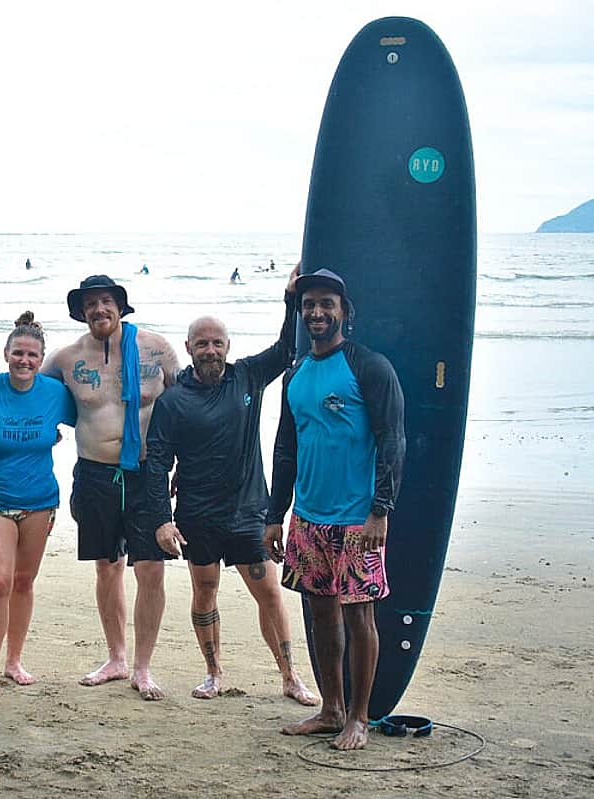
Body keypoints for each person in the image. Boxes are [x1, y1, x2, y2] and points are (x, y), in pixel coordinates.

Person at [146, 265, 319, 706]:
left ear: (227, 347)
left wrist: (291, 299)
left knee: (268, 591)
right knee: (204, 591)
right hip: (197, 516)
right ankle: (213, 672)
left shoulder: (247, 377)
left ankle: (290, 675)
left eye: (216, 342)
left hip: (247, 513)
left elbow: (285, 350)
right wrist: (163, 522)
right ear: (188, 348)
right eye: (201, 343)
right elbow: (157, 465)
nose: (209, 349)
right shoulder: (173, 401)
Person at [264, 268, 405, 751]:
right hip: (308, 519)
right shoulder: (296, 374)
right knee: (321, 616)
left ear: (344, 311)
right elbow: (286, 448)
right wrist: (273, 514)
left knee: (359, 618)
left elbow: (393, 441)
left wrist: (380, 510)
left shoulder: (369, 367)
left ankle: (359, 718)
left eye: (327, 303)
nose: (317, 312)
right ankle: (330, 709)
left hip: (356, 521)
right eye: (309, 306)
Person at [42, 275, 179, 700]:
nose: (98, 309)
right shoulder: (65, 359)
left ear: (120, 305)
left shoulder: (156, 349)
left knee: (151, 568)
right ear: (81, 312)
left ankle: (143, 666)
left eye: (106, 301)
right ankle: (116, 658)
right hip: (95, 474)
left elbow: (189, 402)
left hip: (147, 476)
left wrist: (190, 466)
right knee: (108, 567)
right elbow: (26, 390)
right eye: (90, 304)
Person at [0, 311, 76, 699]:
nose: (24, 361)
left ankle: (14, 661)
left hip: (40, 500)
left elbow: (98, 417)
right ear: (6, 354)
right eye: (18, 354)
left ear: (41, 359)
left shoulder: (55, 393)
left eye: (32, 355)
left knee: (24, 582)